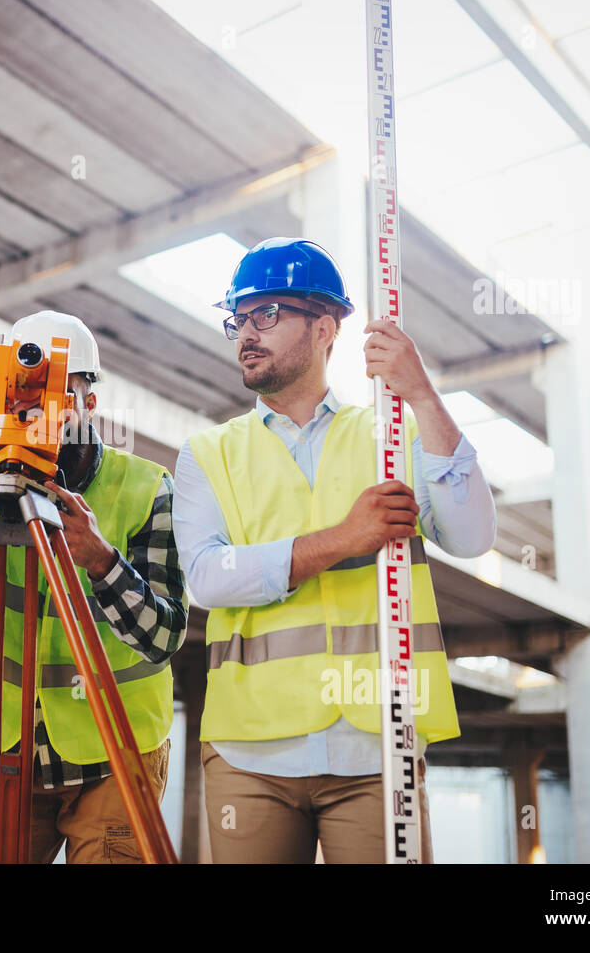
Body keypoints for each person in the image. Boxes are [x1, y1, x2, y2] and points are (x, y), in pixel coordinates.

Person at [172, 237, 497, 863]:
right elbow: (207, 579)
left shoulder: (392, 430)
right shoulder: (206, 454)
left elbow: (472, 534)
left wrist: (423, 395)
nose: (247, 332)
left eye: (267, 314)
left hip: (378, 748)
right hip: (251, 752)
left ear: (325, 327)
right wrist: (344, 539)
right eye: (238, 318)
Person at [0, 310, 187, 863]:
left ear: (90, 404)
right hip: (12, 744)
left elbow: (166, 635)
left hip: (115, 753)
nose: (34, 402)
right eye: (19, 389)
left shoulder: (146, 486)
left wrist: (102, 561)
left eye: (56, 389)